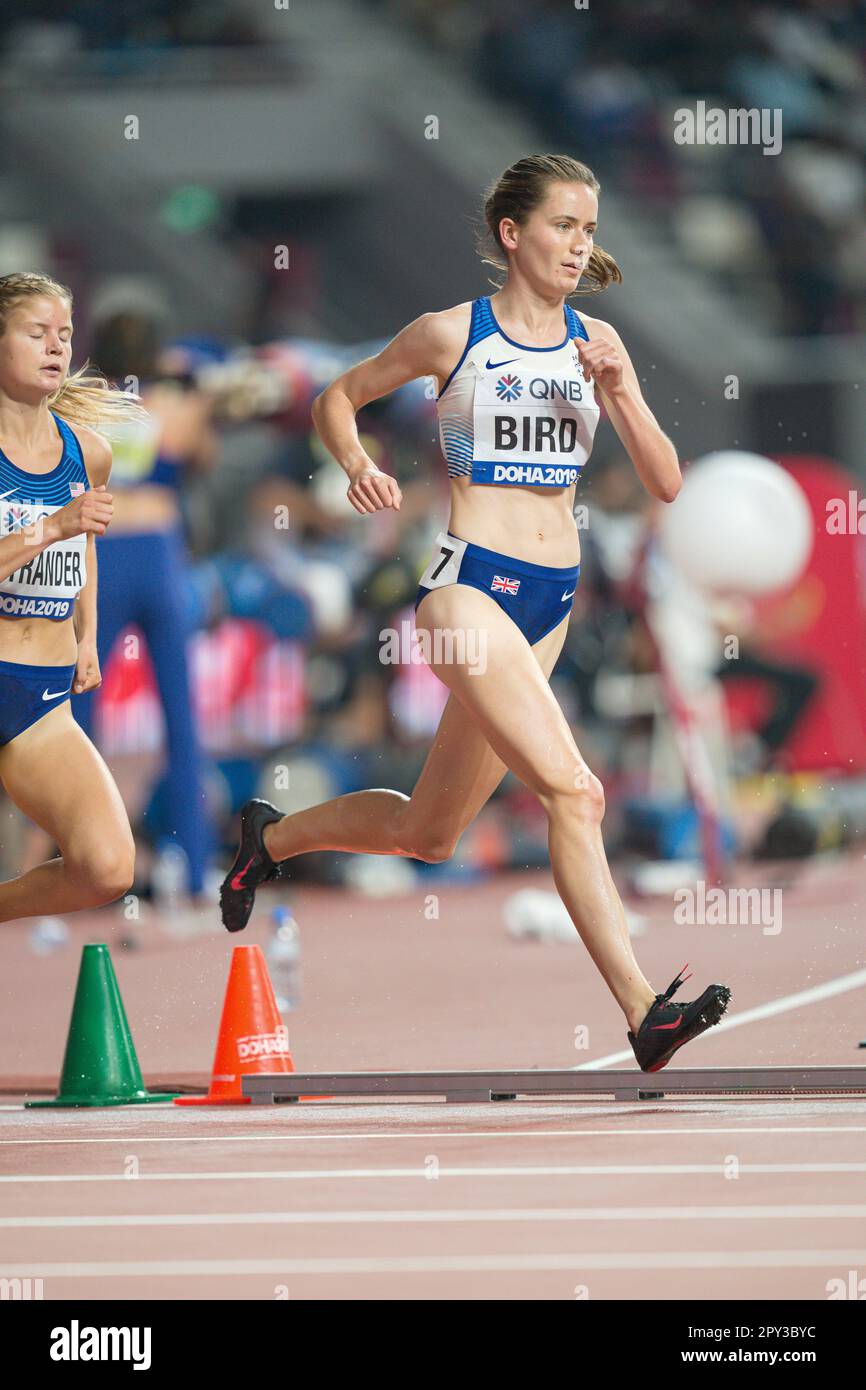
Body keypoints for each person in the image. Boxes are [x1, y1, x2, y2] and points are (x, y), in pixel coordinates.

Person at [219, 154, 731, 1073]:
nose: (581, 245)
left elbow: (664, 481)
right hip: (467, 589)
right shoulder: (452, 334)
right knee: (576, 791)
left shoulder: (596, 341)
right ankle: (644, 1010)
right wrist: (356, 464)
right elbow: (341, 396)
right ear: (512, 234)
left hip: (551, 600)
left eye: (589, 228)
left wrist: (618, 387)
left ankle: (270, 838)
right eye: (564, 225)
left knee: (430, 831)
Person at [0, 272, 145, 925]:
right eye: (37, 333)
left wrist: (86, 636)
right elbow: (66, 527)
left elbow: (85, 544)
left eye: (64, 334)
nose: (56, 347)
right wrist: (51, 526)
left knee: (106, 867)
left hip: (40, 695)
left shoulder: (87, 451)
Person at [70, 310, 218, 899]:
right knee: (181, 716)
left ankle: (82, 864)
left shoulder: (81, 408)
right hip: (158, 553)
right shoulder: (173, 406)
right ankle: (198, 867)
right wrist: (190, 384)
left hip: (101, 554)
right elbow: (199, 455)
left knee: (82, 712)